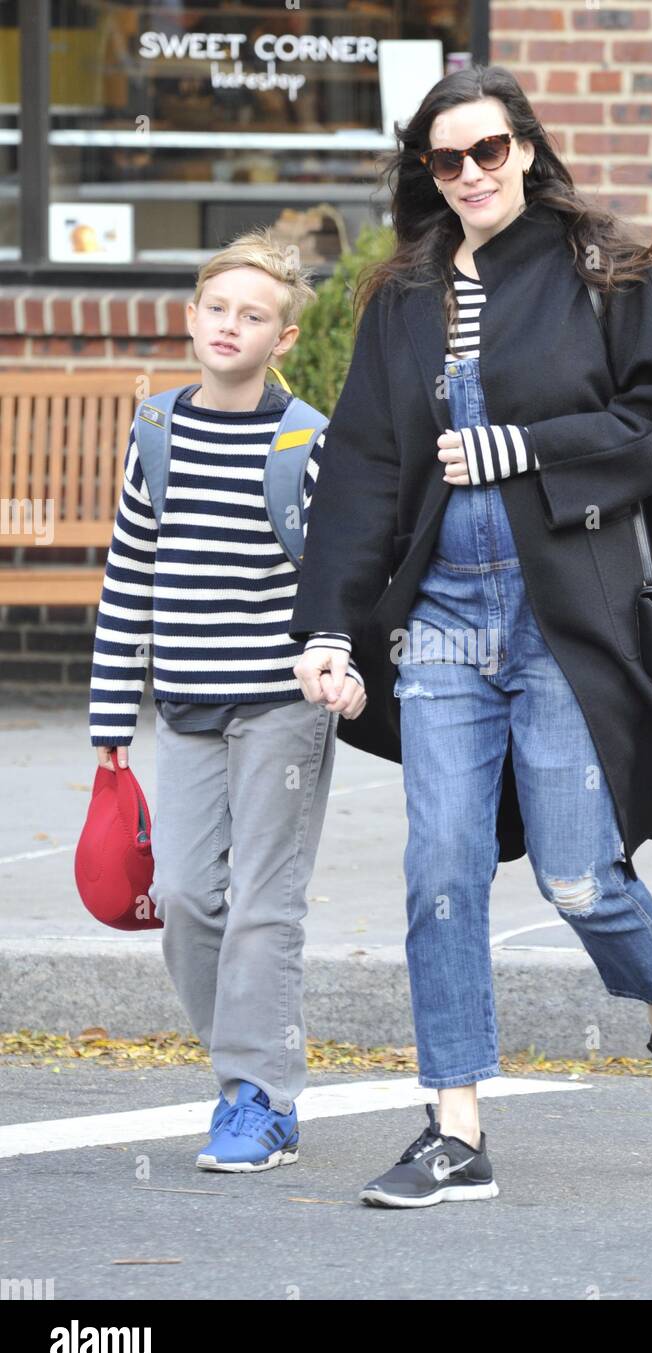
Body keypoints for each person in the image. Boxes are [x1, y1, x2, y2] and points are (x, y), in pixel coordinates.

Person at [291, 64, 652, 1209]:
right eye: (447, 161)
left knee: (579, 874)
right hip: (442, 621)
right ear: (426, 173)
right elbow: (360, 470)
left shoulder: (605, 269)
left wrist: (525, 448)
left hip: (562, 620)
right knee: (438, 869)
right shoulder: (402, 295)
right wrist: (332, 630)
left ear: (526, 148)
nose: (473, 176)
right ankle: (454, 1128)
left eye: (489, 151)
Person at [87, 229, 366, 1173]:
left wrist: (338, 658)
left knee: (261, 904)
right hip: (188, 707)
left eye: (254, 316)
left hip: (280, 706)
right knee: (183, 896)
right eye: (218, 308)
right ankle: (246, 1068)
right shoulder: (158, 429)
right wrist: (109, 708)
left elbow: (338, 570)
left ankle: (259, 1099)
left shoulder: (304, 440)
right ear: (192, 315)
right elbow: (130, 566)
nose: (230, 326)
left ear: (281, 340)